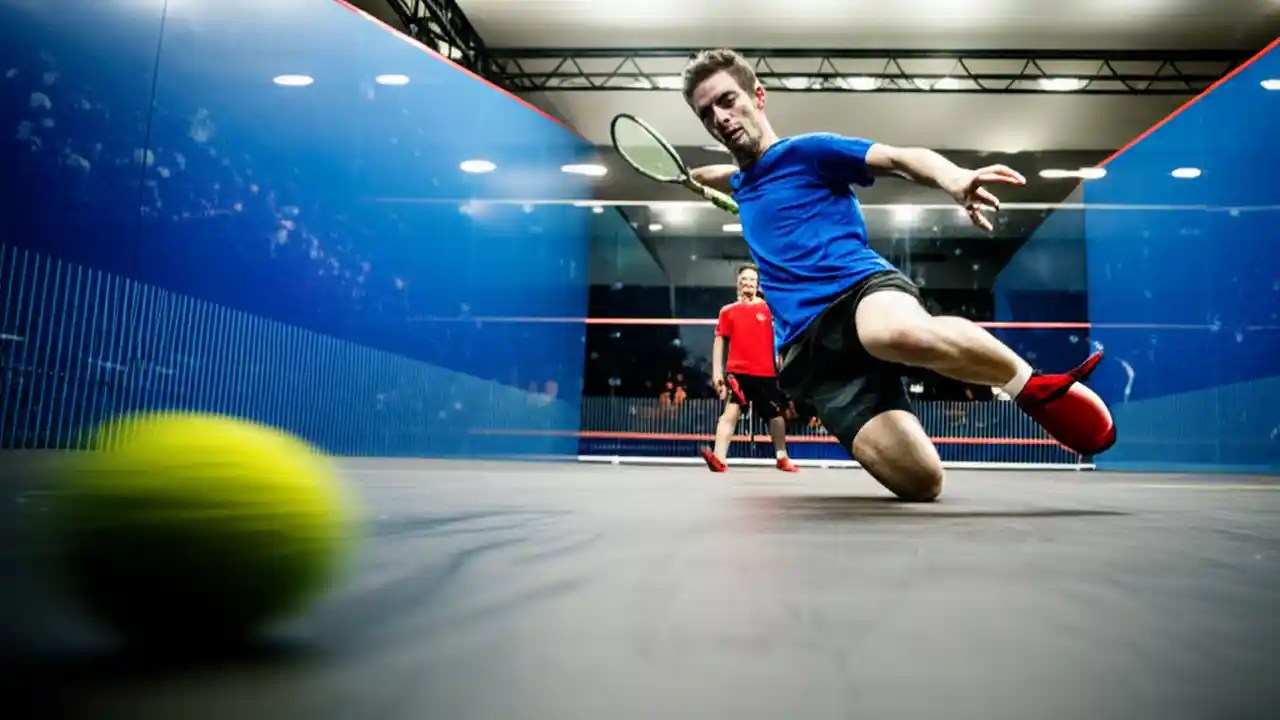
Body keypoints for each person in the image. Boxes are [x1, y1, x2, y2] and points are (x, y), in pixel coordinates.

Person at [678, 49, 1116, 502]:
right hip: (810, 355)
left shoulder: (809, 152)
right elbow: (726, 175)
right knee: (923, 483)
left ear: (758, 96)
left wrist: (954, 178)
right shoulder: (740, 184)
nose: (720, 117)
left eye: (728, 100)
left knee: (891, 333)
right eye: (706, 113)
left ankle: (1033, 387)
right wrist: (691, 179)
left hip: (860, 291)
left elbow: (899, 157)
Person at [701, 263, 799, 473]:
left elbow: (783, 335)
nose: (748, 283)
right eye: (744, 279)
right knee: (730, 413)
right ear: (738, 283)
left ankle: (782, 457)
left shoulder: (769, 309)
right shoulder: (727, 311)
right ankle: (719, 458)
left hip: (766, 373)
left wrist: (781, 361)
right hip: (738, 373)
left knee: (776, 416)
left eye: (752, 280)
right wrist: (717, 373)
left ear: (758, 284)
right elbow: (719, 341)